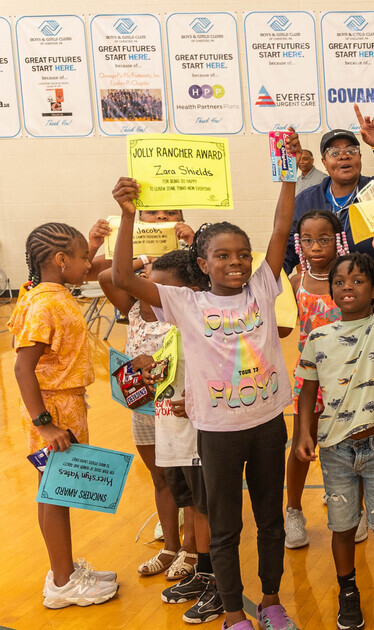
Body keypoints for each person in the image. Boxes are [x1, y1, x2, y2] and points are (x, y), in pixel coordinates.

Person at [111, 130, 301, 630]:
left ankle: (274, 599)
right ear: (202, 264)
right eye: (222, 255)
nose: (236, 262)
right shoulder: (185, 303)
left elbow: (282, 231)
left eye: (242, 253)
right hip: (215, 431)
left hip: (266, 424)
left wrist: (288, 177)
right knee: (224, 525)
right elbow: (122, 279)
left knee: (270, 520)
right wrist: (129, 215)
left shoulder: (262, 286)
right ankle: (234, 609)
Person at [293, 232, 374, 630]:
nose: (347, 287)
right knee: (341, 527)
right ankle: (348, 591)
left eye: (358, 280)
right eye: (339, 281)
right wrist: (301, 433)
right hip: (334, 449)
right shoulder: (318, 336)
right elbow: (308, 390)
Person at [14, 222, 119, 609]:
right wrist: (46, 424)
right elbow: (23, 367)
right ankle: (62, 582)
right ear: (60, 260)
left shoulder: (43, 291)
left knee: (51, 492)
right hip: (53, 408)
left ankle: (65, 570)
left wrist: (90, 245)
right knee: (55, 495)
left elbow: (84, 268)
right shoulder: (47, 302)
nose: (87, 264)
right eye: (80, 258)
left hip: (63, 403)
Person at [130, 249, 222, 624]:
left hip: (199, 435)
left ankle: (219, 583)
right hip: (172, 434)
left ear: (194, 290)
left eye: (165, 290)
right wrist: (150, 369)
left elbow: (222, 374)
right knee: (194, 508)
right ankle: (203, 573)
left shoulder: (206, 327)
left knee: (208, 509)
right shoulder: (172, 330)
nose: (158, 298)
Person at [98, 255, 195, 580]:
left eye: (160, 281)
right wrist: (141, 256)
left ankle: (191, 549)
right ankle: (170, 546)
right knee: (161, 478)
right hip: (142, 408)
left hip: (177, 406)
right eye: (146, 276)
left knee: (190, 482)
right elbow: (104, 276)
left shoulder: (182, 310)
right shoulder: (134, 309)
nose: (150, 283)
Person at [283, 210, 350, 550]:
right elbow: (281, 326)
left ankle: (353, 509)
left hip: (349, 375)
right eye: (307, 240)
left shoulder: (349, 276)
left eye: (324, 238)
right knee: (302, 441)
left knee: (349, 443)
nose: (316, 246)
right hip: (309, 377)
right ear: (299, 243)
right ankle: (293, 510)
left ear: (337, 240)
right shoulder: (295, 281)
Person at [285, 105, 374, 272]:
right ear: (324, 162)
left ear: (359, 157)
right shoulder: (307, 200)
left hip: (369, 290)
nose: (344, 155)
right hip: (319, 292)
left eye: (352, 150)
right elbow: (289, 249)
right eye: (334, 153)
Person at [86, 208, 195, 281]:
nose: (161, 216)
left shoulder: (188, 252)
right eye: (152, 212)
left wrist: (194, 242)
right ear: (140, 219)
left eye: (171, 213)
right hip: (128, 315)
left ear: (181, 220)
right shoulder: (125, 253)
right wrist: (93, 246)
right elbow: (85, 274)